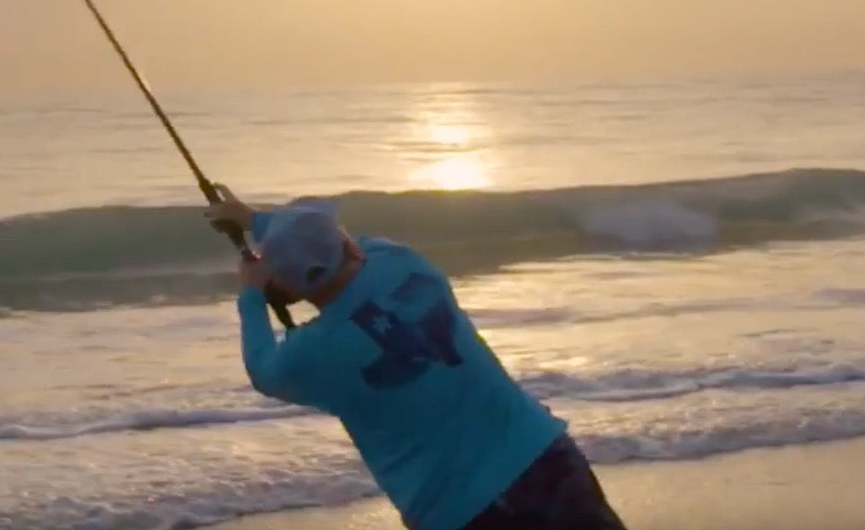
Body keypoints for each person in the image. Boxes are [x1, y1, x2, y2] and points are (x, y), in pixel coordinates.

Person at [206, 186, 628, 530]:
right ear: (348, 247)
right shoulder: (405, 263)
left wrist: (251, 294)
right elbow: (337, 246)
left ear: (288, 288)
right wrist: (258, 222)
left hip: (459, 510)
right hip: (543, 458)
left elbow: (263, 368)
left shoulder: (311, 355)